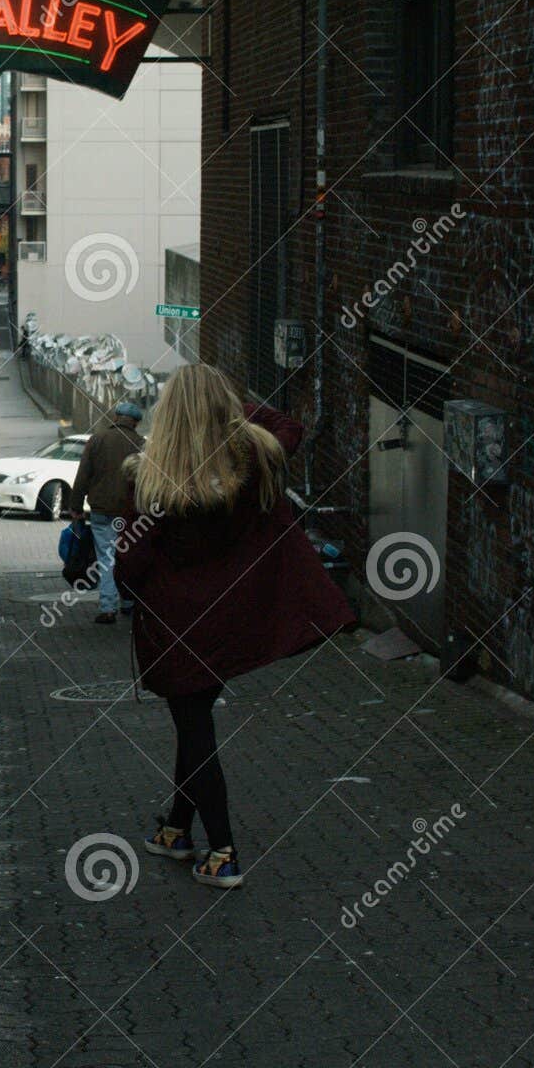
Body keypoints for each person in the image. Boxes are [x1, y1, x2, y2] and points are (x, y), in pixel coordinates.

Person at [114, 364, 355, 889]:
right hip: (226, 626)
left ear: (169, 414)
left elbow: (129, 569)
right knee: (193, 724)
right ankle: (177, 829)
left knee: (196, 733)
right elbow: (289, 425)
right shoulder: (254, 461)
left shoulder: (152, 481)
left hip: (176, 631)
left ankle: (223, 851)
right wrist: (227, 407)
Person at [69, 401, 144, 623]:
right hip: (130, 514)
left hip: (101, 511)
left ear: (115, 417)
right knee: (128, 557)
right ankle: (129, 602)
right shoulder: (141, 444)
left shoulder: (97, 440)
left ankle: (107, 608)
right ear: (136, 422)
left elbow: (83, 475)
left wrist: (75, 506)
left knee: (107, 559)